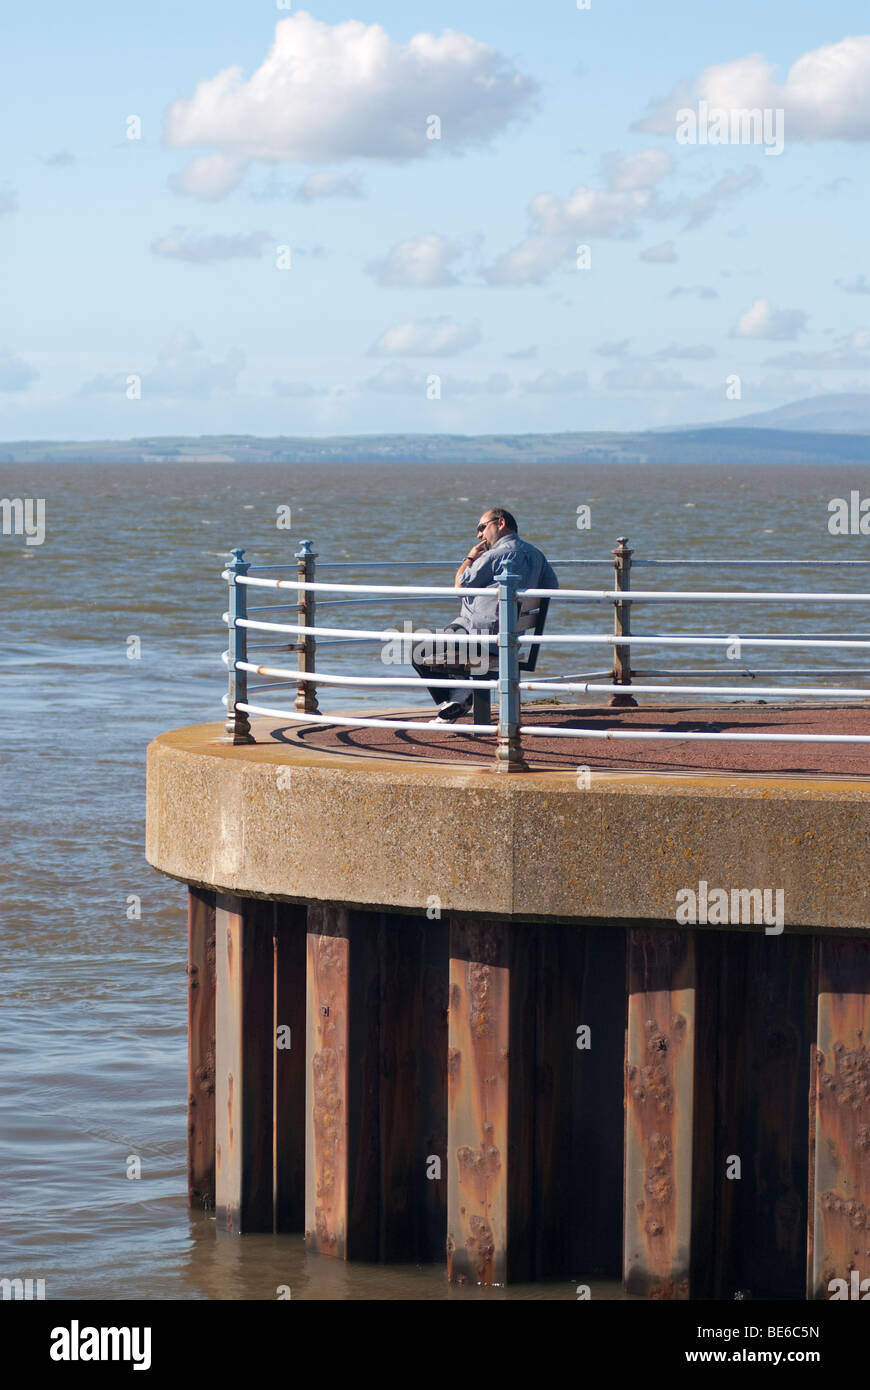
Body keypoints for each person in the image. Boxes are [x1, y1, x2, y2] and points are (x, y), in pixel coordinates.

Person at [411, 507, 559, 724]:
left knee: (418, 648)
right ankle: (459, 696)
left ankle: (458, 697)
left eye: (481, 527)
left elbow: (459, 586)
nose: (479, 535)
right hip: (512, 640)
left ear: (500, 523)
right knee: (448, 637)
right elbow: (551, 588)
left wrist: (470, 557)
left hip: (485, 639)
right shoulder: (537, 554)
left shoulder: (495, 555)